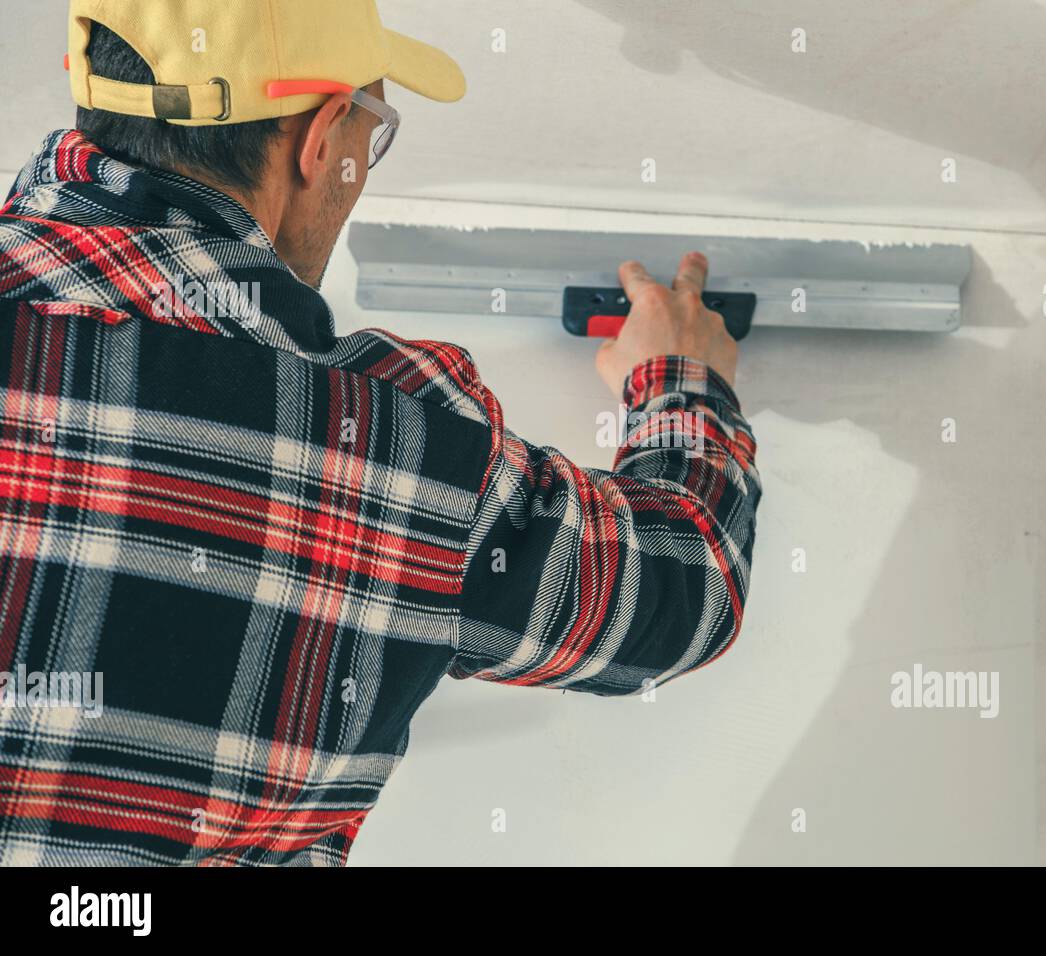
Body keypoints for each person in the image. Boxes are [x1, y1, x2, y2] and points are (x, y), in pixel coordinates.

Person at [0, 0, 760, 865]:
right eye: (373, 131)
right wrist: (679, 381)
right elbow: (682, 591)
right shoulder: (392, 450)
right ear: (320, 139)